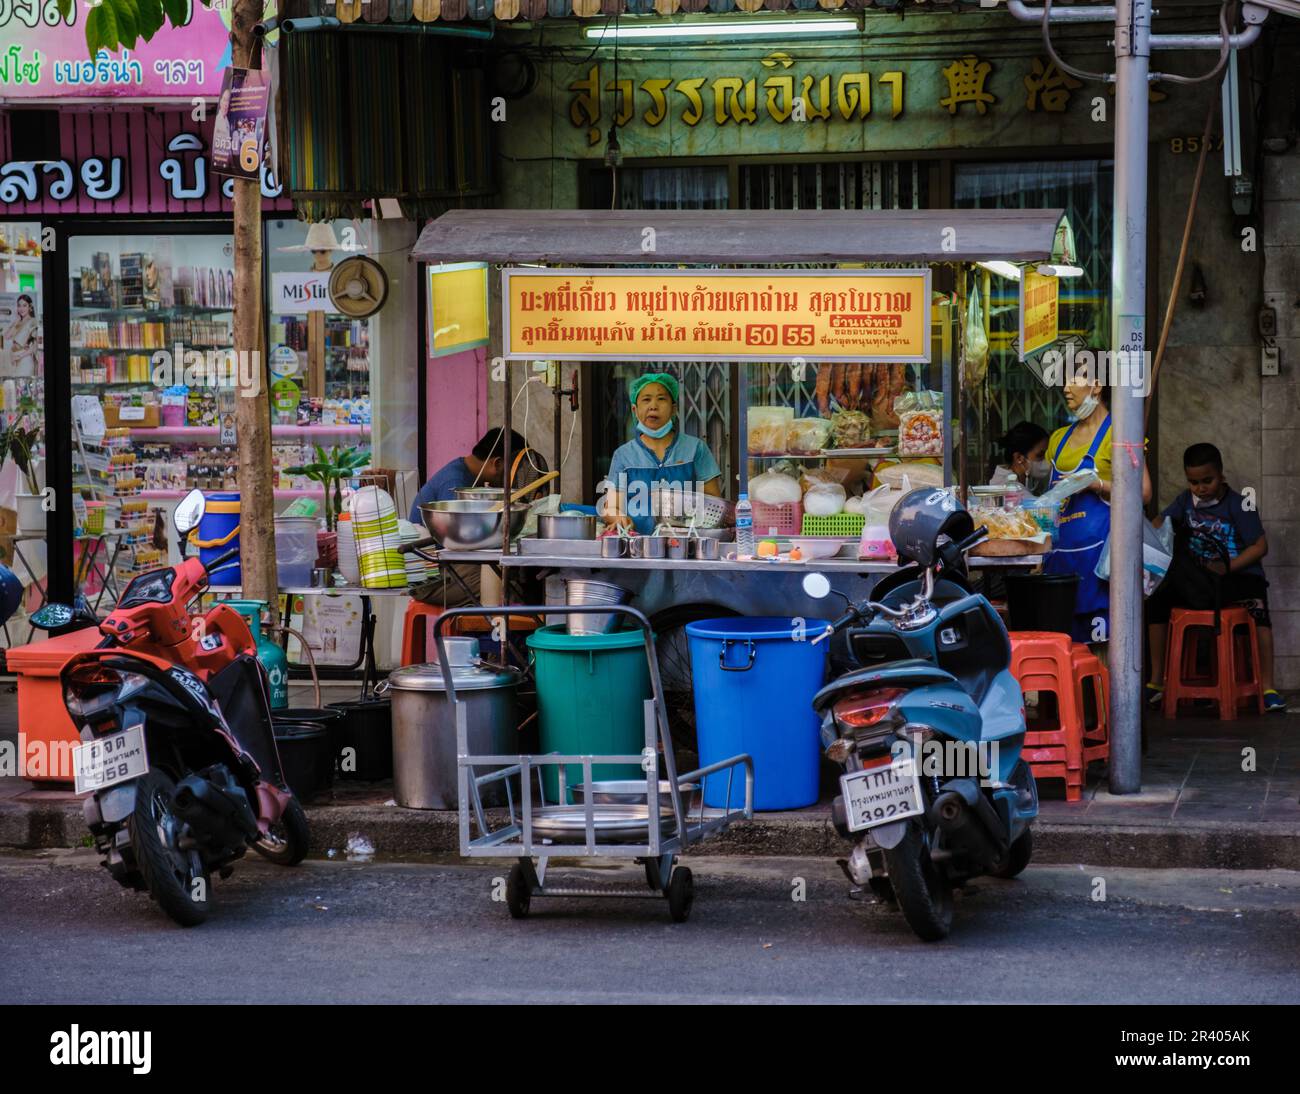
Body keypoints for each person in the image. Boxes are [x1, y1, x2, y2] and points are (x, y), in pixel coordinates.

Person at [1145, 443, 1284, 712]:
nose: (1200, 488)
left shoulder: (1239, 503)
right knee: (1157, 599)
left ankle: (1268, 687)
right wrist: (1151, 536)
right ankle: (1157, 682)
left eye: (1207, 480)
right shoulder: (1186, 500)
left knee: (1259, 610)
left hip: (1238, 575)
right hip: (1200, 579)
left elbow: (1259, 546)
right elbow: (1159, 523)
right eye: (1193, 482)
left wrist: (1228, 566)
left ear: (1221, 475)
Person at [1041, 375, 1151, 644]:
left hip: (1102, 562)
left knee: (1102, 650)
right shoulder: (1058, 439)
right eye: (1063, 381)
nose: (1065, 388)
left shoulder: (1120, 434)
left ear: (1097, 385)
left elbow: (1144, 493)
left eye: (1074, 379)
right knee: (1067, 646)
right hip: (1061, 561)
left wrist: (1096, 484)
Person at [602, 373, 722, 534]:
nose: (653, 406)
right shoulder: (623, 455)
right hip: (638, 546)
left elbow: (714, 504)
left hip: (686, 546)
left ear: (674, 409)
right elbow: (610, 507)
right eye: (646, 399)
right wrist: (619, 518)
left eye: (661, 399)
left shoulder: (696, 449)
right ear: (634, 410)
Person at [408, 428, 530, 524]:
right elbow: (454, 534)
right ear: (497, 464)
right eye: (512, 469)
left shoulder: (471, 474)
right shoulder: (455, 482)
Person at [990, 420, 1049, 494]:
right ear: (1019, 457)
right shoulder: (1008, 488)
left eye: (1048, 454)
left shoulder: (1025, 480)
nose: (1047, 460)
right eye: (1040, 455)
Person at [2, 293, 38, 377]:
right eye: (19, 306)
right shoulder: (18, 322)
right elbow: (7, 336)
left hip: (25, 359)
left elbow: (34, 346)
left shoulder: (32, 321)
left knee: (22, 386)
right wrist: (16, 322)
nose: (21, 308)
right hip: (14, 358)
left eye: (24, 305)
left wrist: (19, 356)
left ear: (30, 307)